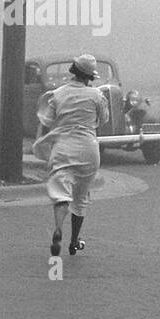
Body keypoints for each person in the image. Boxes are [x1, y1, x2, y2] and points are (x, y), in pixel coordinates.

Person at [33, 54, 109, 258]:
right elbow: (103, 120)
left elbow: (47, 121)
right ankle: (74, 241)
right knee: (81, 196)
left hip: (63, 147)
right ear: (89, 76)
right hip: (88, 148)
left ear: (73, 71)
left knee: (61, 191)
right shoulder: (96, 95)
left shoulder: (56, 94)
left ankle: (58, 228)